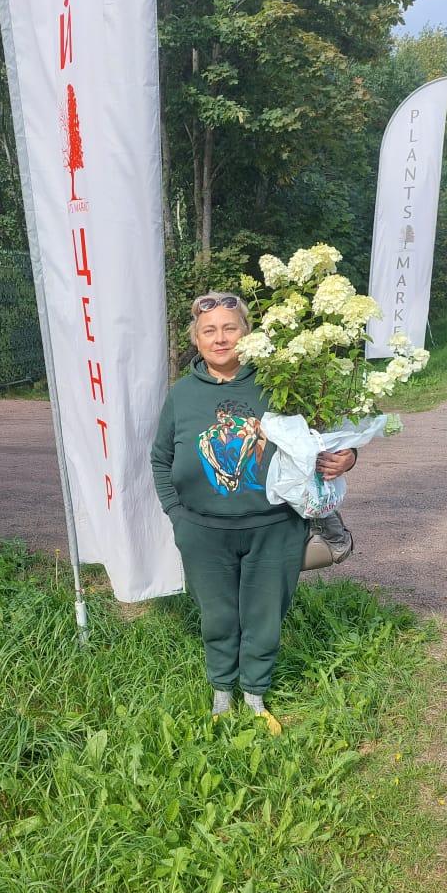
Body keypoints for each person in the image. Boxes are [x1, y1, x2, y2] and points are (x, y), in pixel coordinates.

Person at [150, 292, 356, 733]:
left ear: (246, 334)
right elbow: (160, 458)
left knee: (265, 614)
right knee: (219, 616)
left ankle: (256, 696)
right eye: (209, 331)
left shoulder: (280, 382)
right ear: (197, 340)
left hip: (274, 527)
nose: (220, 338)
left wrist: (348, 456)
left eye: (230, 328)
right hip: (203, 531)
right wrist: (176, 514)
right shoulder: (182, 395)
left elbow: (325, 437)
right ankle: (222, 696)